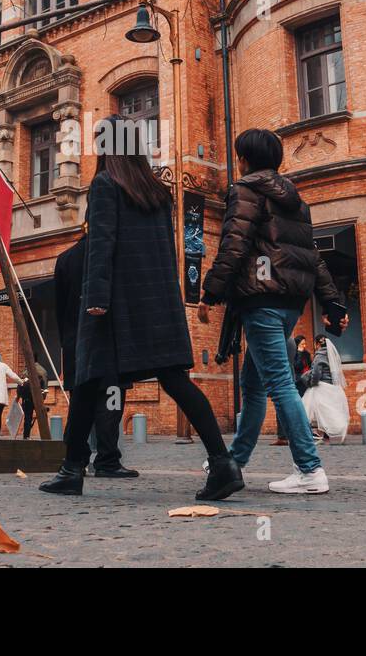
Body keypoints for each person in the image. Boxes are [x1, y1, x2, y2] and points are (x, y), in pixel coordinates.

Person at [40, 116, 242, 500]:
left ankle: (71, 470)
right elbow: (167, 251)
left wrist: (96, 298)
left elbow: (101, 245)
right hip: (154, 303)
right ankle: (222, 463)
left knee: (86, 382)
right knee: (175, 380)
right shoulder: (156, 191)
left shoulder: (104, 185)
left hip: (112, 306)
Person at [199, 128, 349, 494]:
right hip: (287, 304)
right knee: (252, 385)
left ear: (245, 159)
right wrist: (332, 303)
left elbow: (234, 244)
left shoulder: (245, 190)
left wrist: (210, 292)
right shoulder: (297, 201)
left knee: (280, 385)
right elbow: (312, 258)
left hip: (261, 301)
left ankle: (310, 470)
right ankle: (235, 461)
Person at [53, 231, 137, 477]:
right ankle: (107, 459)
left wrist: (66, 342)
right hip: (108, 343)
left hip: (75, 343)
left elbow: (59, 308)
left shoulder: (65, 259)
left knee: (80, 403)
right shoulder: (111, 255)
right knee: (111, 403)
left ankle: (74, 460)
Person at [16, 360, 48, 439]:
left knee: (27, 417)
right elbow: (45, 385)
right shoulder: (42, 370)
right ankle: (45, 436)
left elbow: (20, 386)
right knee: (42, 416)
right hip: (38, 397)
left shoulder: (25, 372)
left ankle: (26, 436)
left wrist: (18, 397)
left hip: (27, 399)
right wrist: (43, 397)